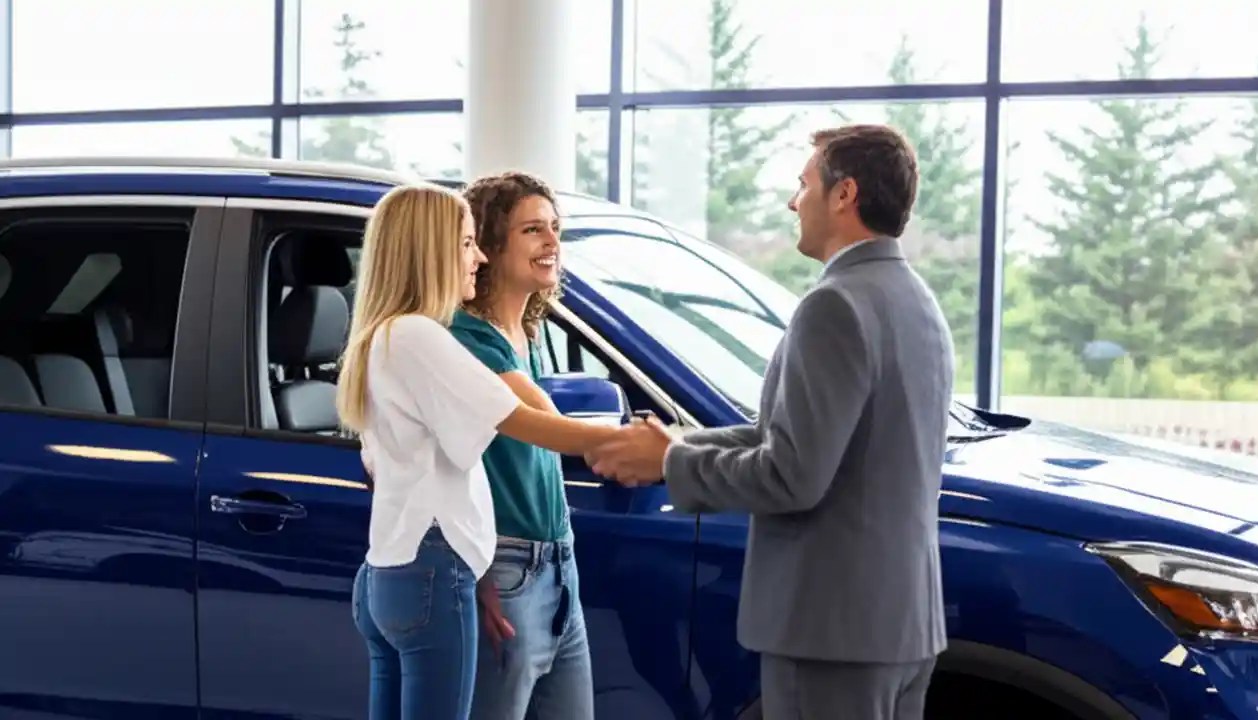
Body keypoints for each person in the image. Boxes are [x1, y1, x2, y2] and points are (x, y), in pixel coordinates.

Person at [587, 124, 954, 720]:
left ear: (845, 194)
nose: (793, 201)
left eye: (804, 183)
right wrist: (675, 443)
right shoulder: (914, 299)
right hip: (898, 625)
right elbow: (791, 435)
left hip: (830, 632)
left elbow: (792, 474)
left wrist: (671, 461)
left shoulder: (833, 305)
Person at [334, 183, 626, 720]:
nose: (479, 257)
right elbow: (526, 421)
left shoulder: (384, 337)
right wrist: (643, 443)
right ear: (432, 250)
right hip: (433, 569)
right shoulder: (422, 336)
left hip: (392, 569)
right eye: (468, 243)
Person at [448, 171, 593, 720]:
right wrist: (655, 447)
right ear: (487, 244)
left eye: (555, 228)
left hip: (559, 562)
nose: (553, 242)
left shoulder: (531, 332)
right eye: (534, 229)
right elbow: (548, 423)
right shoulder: (466, 337)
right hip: (506, 569)